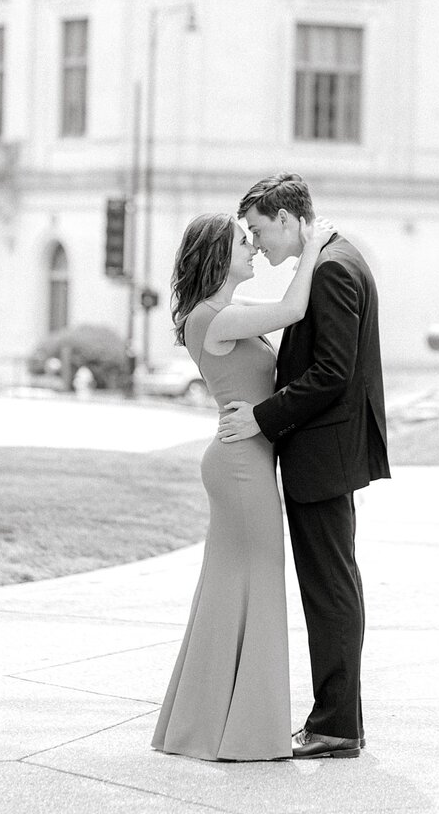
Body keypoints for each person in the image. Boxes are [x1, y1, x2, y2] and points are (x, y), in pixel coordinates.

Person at [152, 210, 335, 762]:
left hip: (244, 461)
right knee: (254, 588)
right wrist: (311, 249)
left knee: (232, 592)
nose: (252, 247)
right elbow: (294, 309)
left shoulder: (223, 312)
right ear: (215, 255)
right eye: (241, 241)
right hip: (239, 468)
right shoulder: (211, 317)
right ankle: (242, 730)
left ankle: (210, 726)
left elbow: (287, 318)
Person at [218, 173, 390, 760]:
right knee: (335, 584)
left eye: (261, 230)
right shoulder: (332, 258)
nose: (258, 244)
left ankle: (336, 726)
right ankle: (341, 721)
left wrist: (263, 418)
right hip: (326, 451)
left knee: (329, 589)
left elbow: (331, 372)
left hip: (323, 453)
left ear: (289, 220)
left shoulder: (334, 268)